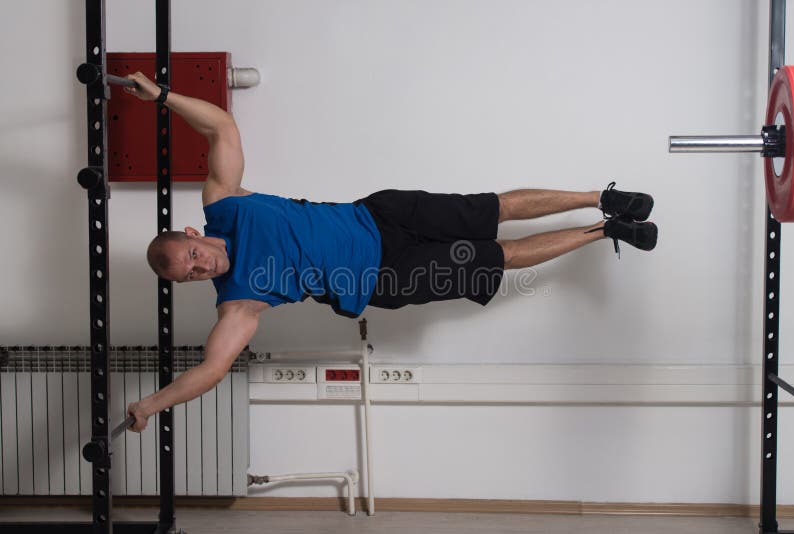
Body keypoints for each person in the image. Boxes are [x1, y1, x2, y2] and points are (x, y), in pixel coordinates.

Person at [122, 72, 657, 432]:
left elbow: (221, 125)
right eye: (190, 277)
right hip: (389, 278)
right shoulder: (238, 302)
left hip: (382, 214)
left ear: (192, 234)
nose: (201, 269)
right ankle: (606, 230)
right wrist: (150, 404)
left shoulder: (225, 203)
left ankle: (601, 197)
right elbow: (213, 369)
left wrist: (161, 96)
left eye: (192, 258)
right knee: (503, 256)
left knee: (494, 208)